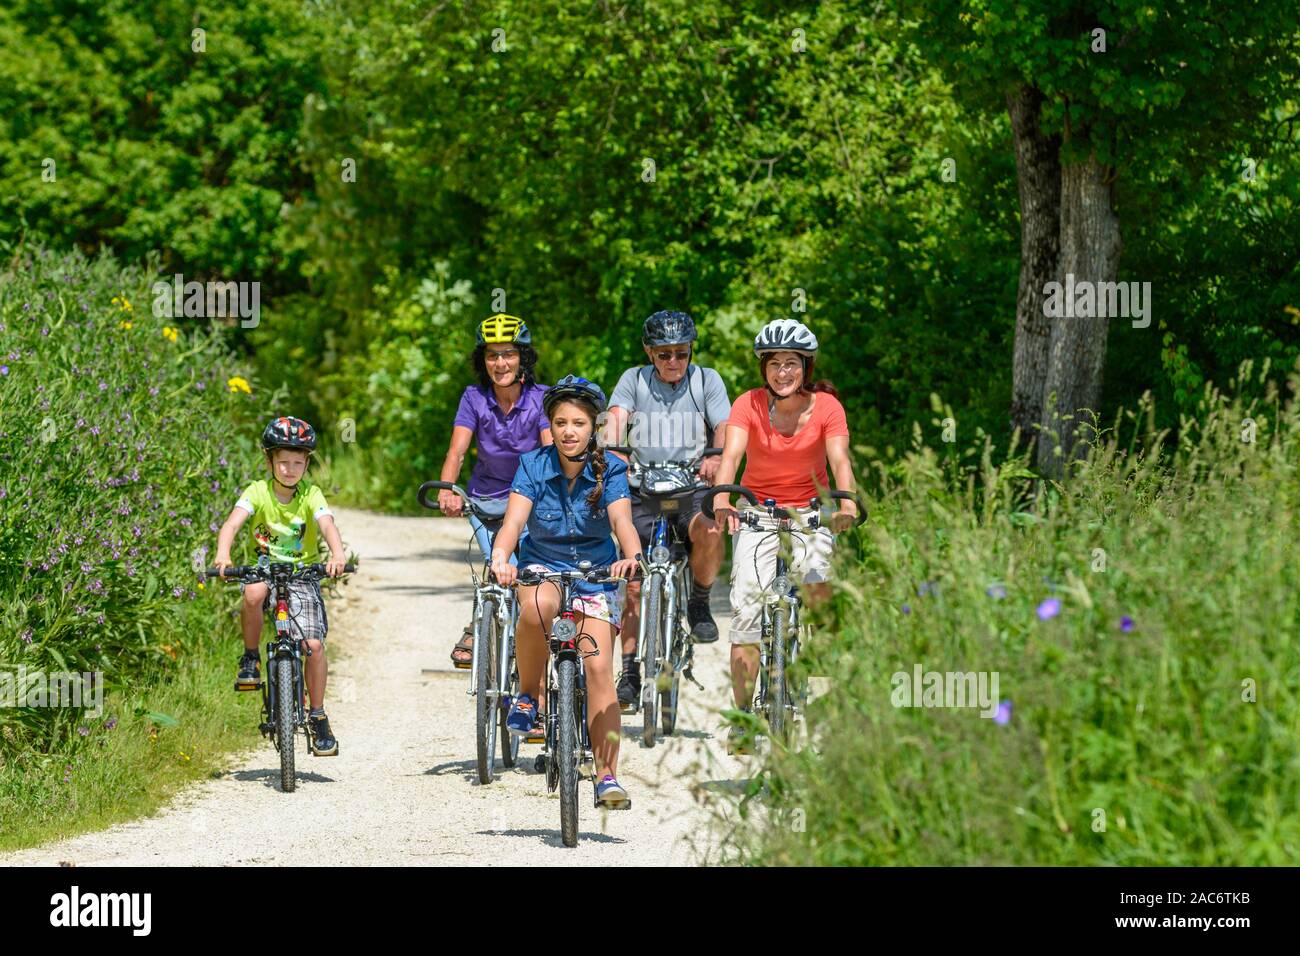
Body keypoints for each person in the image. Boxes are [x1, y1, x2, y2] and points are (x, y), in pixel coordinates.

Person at [489, 376, 644, 808]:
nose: (569, 431)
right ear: (551, 426)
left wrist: (631, 557)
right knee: (537, 608)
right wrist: (502, 557)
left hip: (594, 571)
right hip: (542, 564)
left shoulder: (610, 468)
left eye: (578, 422)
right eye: (560, 422)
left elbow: (622, 523)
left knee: (597, 668)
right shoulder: (533, 465)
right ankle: (529, 694)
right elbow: (514, 523)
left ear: (594, 426)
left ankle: (607, 775)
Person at [710, 319, 861, 753]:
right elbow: (732, 455)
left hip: (810, 515)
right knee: (746, 616)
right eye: (774, 364)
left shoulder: (829, 408)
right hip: (758, 514)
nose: (782, 372)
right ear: (764, 368)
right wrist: (722, 497)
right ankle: (742, 718)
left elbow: (840, 458)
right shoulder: (748, 404)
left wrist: (846, 502)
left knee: (819, 594)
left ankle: (821, 692)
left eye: (791, 363)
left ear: (806, 367)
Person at [603, 310, 731, 711]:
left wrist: (716, 456)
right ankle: (629, 672)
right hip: (643, 488)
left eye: (681, 353)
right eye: (663, 354)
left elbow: (725, 426)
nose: (673, 361)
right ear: (649, 352)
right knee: (636, 580)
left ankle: (700, 600)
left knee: (710, 529)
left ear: (691, 351)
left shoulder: (706, 380)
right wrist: (612, 449)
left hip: (691, 486)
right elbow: (615, 421)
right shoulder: (633, 379)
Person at [213, 416, 350, 756]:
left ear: (307, 464)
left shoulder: (311, 493)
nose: (290, 470)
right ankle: (250, 658)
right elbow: (232, 525)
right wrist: (223, 554)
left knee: (314, 646)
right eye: (283, 462)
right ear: (270, 461)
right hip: (264, 569)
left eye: (298, 463)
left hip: (301, 574)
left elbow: (327, 523)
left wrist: (336, 553)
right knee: (253, 592)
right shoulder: (257, 491)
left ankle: (317, 715)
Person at [436, 314, 550, 668]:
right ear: (482, 361)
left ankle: (530, 640)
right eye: (491, 355)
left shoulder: (541, 398)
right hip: (484, 500)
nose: (500, 363)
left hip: (529, 499)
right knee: (496, 564)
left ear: (523, 358)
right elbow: (456, 451)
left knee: (522, 571)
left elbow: (549, 452)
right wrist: (448, 489)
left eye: (508, 354)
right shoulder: (474, 397)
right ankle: (481, 621)